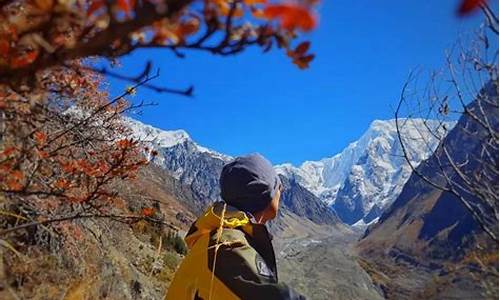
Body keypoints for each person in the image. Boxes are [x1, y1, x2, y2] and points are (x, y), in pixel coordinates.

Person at [166, 153, 306, 300]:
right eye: (277, 186)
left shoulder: (221, 239)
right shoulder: (226, 245)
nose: (281, 191)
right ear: (265, 194)